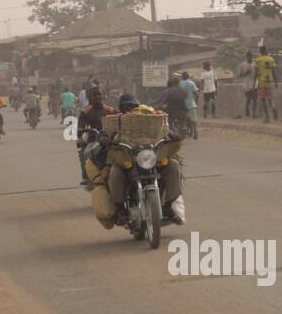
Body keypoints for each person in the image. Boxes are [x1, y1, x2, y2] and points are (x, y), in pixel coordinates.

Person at [107, 93, 186, 225]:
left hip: (149, 157)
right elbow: (107, 134)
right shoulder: (116, 121)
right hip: (126, 159)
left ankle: (168, 205)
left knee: (173, 165)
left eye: (132, 106)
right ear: (120, 108)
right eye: (126, 107)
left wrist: (172, 134)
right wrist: (106, 138)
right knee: (115, 172)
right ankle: (120, 209)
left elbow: (164, 129)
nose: (129, 110)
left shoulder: (149, 118)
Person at [78, 86, 116, 189]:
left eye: (99, 94)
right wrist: (82, 129)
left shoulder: (110, 110)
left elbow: (119, 119)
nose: (98, 97)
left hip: (111, 139)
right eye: (95, 95)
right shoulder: (85, 112)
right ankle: (87, 176)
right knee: (84, 153)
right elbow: (81, 125)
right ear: (90, 98)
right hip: (94, 139)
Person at [254, 46, 278, 123]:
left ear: (260, 52)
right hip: (270, 82)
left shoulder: (257, 60)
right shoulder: (271, 59)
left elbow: (256, 73)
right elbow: (273, 71)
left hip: (261, 82)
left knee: (263, 100)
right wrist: (276, 82)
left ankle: (267, 118)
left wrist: (254, 83)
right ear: (266, 51)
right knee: (270, 98)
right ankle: (273, 108)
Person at [179, 72, 200, 140]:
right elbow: (196, 93)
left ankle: (183, 131)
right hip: (191, 103)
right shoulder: (192, 83)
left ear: (182, 77)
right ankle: (195, 132)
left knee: (183, 119)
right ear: (188, 77)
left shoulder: (179, 83)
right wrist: (196, 101)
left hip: (182, 104)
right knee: (193, 119)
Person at [238, 51, 257, 118]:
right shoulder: (243, 64)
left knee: (254, 99)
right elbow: (239, 75)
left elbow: (257, 73)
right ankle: (247, 108)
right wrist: (245, 73)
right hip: (246, 84)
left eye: (251, 56)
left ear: (252, 56)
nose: (250, 57)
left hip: (254, 83)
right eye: (248, 56)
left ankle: (254, 114)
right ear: (246, 57)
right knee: (248, 98)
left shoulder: (255, 63)